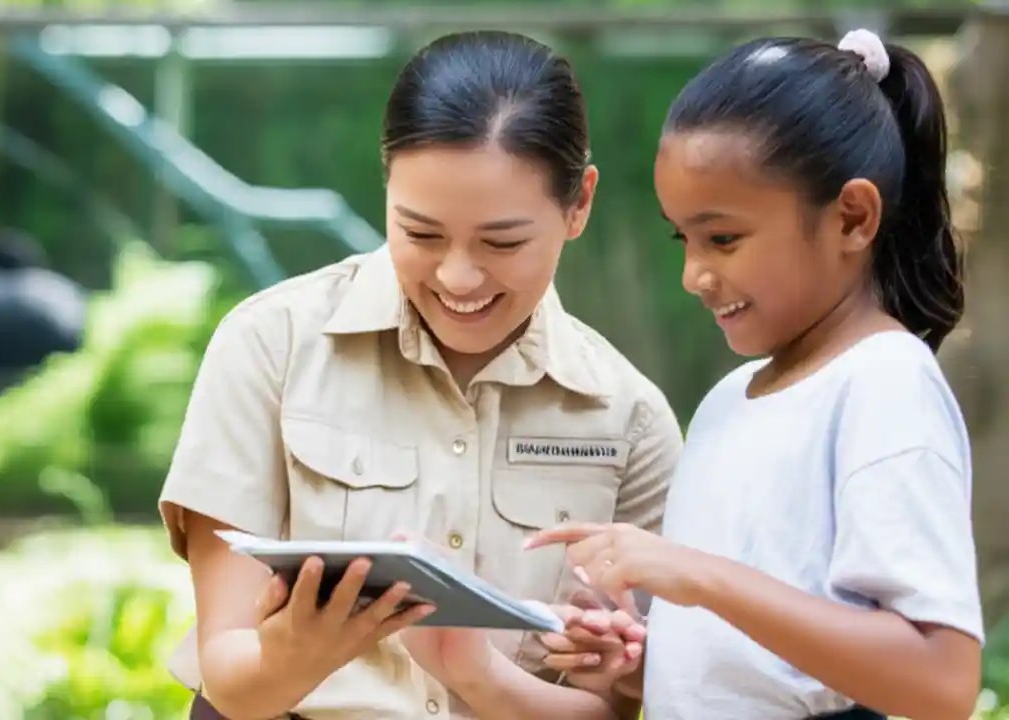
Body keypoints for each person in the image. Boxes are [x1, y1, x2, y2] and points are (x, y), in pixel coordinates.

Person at [156, 30, 682, 720]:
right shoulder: (272, 346)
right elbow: (230, 678)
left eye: (502, 242)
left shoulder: (630, 419)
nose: (458, 276)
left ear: (579, 203)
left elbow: (613, 708)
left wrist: (476, 670)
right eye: (421, 233)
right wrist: (303, 647)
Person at [513, 28, 982, 720]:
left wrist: (696, 578)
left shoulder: (885, 385)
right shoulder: (730, 401)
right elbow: (764, 671)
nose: (694, 275)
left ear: (852, 218)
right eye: (685, 238)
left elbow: (940, 681)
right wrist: (640, 662)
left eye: (723, 238)